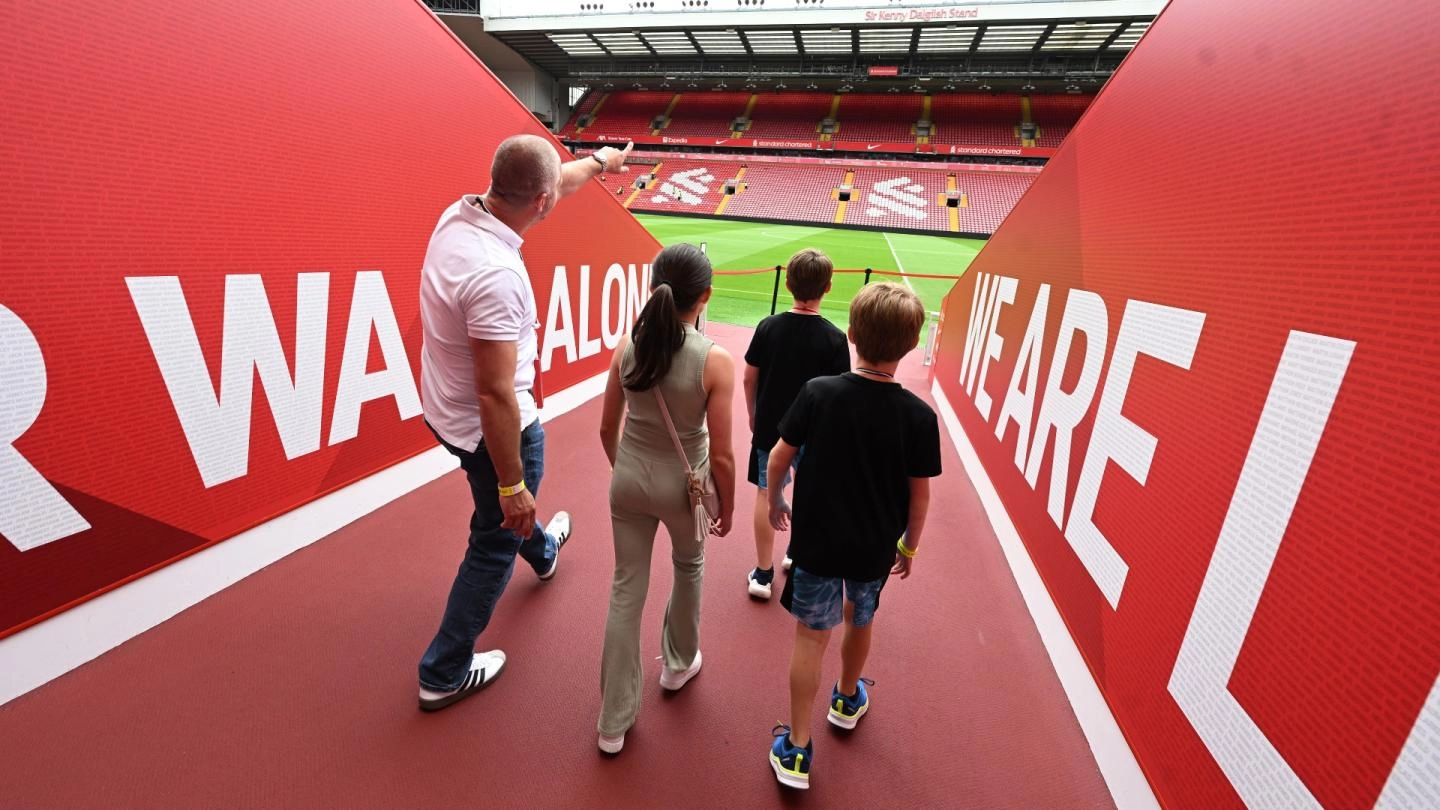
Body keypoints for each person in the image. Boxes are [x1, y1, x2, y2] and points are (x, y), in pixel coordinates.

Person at [415, 134, 634, 712]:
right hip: (490, 429)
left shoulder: (461, 213)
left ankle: (541, 550)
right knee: (495, 534)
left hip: (445, 412)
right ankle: (443, 671)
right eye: (549, 192)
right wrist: (513, 485)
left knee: (506, 516)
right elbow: (495, 395)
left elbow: (553, 180)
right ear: (539, 203)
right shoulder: (496, 276)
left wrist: (600, 163)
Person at [763, 282, 942, 790]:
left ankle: (796, 748)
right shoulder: (919, 416)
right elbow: (919, 496)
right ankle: (846, 698)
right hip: (873, 549)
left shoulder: (818, 392)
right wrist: (908, 544)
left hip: (817, 544)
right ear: (910, 345)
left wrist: (776, 497)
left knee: (809, 636)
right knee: (860, 617)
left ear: (851, 333)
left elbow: (779, 456)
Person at [595, 243, 737, 754]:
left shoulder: (626, 347)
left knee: (625, 588)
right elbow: (722, 456)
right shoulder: (714, 361)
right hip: (686, 488)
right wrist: (729, 506)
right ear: (705, 296)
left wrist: (628, 474)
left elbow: (607, 428)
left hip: (628, 478)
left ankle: (612, 723)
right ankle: (678, 665)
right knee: (689, 566)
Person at [742, 249, 849, 600]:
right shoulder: (835, 339)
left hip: (771, 426)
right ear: (828, 287)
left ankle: (762, 573)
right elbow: (838, 392)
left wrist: (752, 413)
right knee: (807, 490)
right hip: (813, 431)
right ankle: (795, 553)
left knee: (765, 492)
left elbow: (749, 378)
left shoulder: (768, 327)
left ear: (787, 283)